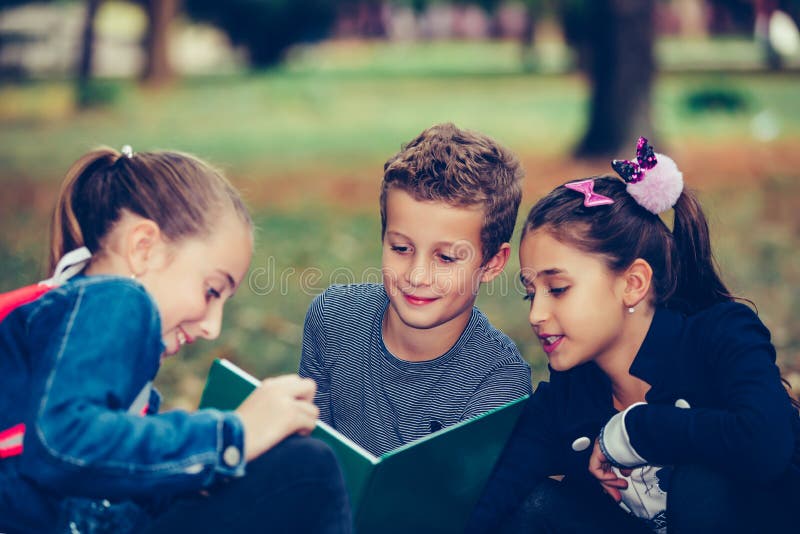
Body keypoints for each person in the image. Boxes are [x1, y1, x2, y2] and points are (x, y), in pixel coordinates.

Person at [0, 146, 352, 534]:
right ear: (142, 248)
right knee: (307, 468)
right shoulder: (114, 299)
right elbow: (61, 444)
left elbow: (105, 481)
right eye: (212, 290)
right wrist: (232, 434)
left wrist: (198, 474)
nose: (212, 328)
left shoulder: (100, 341)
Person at [467, 137, 800, 533]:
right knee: (533, 507)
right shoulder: (569, 397)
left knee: (701, 482)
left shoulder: (721, 334)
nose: (537, 314)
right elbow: (491, 497)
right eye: (530, 293)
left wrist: (630, 431)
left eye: (558, 289)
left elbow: (763, 446)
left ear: (633, 283)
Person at [299, 123, 532, 456]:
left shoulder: (497, 381)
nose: (418, 276)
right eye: (401, 249)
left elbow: (454, 500)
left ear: (493, 263)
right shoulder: (333, 319)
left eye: (447, 257)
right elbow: (311, 449)